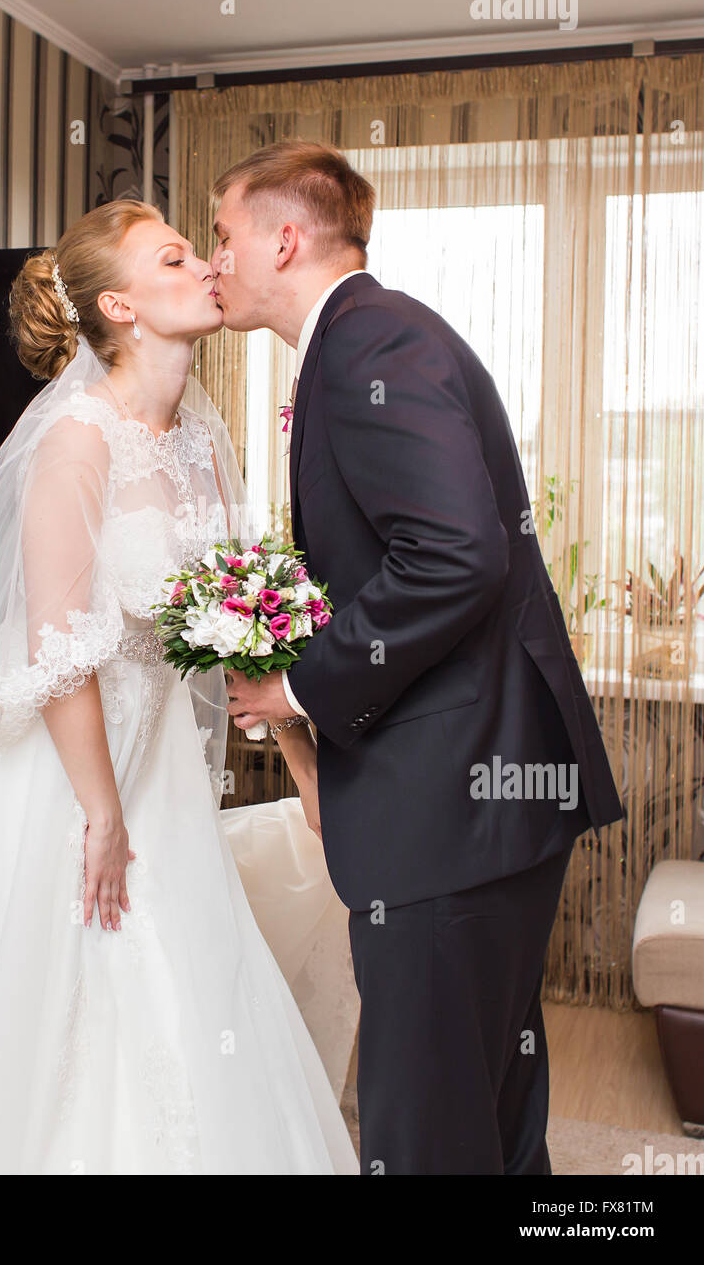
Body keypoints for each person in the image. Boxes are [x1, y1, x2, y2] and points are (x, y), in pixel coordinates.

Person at [0, 198, 359, 1175]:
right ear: (121, 307)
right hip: (62, 778)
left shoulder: (200, 441)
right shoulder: (74, 440)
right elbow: (58, 655)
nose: (203, 266)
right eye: (174, 257)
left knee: (192, 997)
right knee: (69, 1016)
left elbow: (235, 622)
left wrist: (305, 771)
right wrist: (100, 817)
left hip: (160, 766)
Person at [214, 140, 624, 1175]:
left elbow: (454, 554)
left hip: (447, 809)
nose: (214, 259)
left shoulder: (364, 348)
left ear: (284, 237)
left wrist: (296, 684)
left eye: (222, 236)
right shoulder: (374, 337)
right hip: (480, 802)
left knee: (428, 1130)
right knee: (487, 1110)